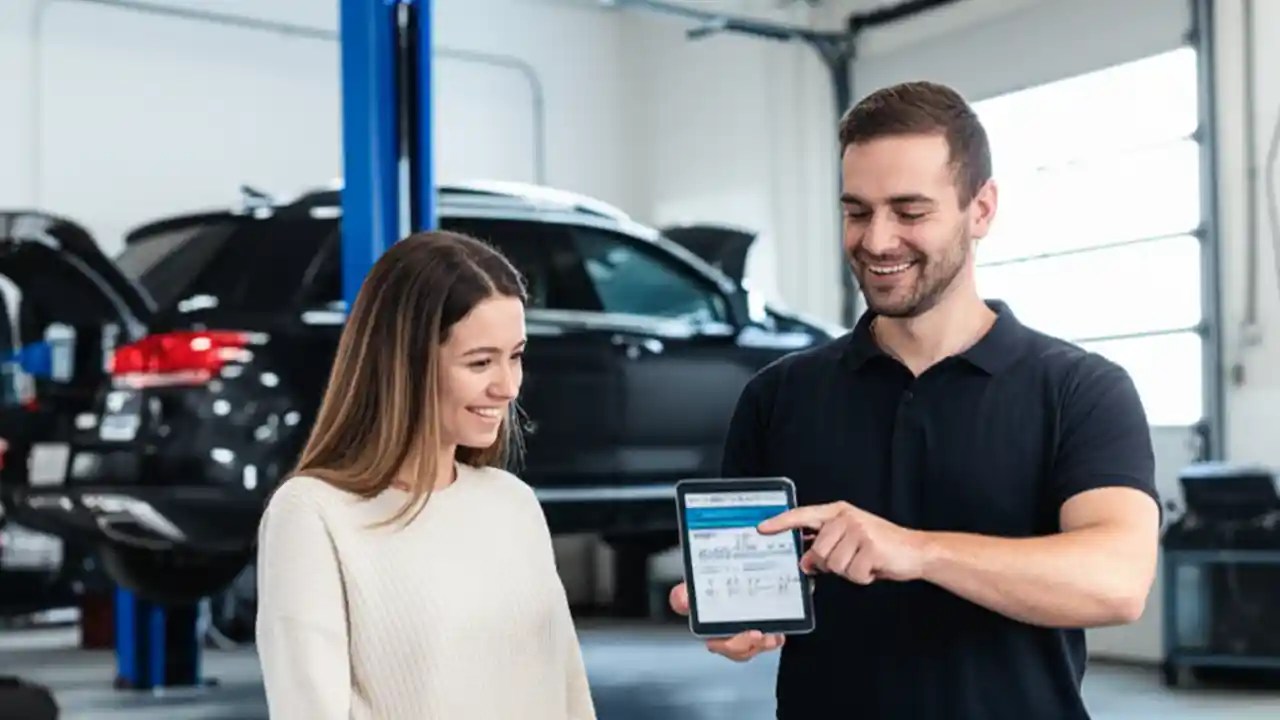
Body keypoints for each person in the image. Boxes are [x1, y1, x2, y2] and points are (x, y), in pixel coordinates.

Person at [669, 81, 1161, 719]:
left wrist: (919, 550)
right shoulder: (778, 394)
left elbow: (1117, 582)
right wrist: (732, 620)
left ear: (980, 209)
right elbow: (749, 581)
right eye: (856, 211)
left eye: (909, 211)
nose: (876, 240)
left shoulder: (1080, 389)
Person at [254, 231, 597, 720]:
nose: (508, 386)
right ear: (404, 363)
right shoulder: (313, 515)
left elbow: (570, 696)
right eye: (480, 362)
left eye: (515, 355)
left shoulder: (513, 504)